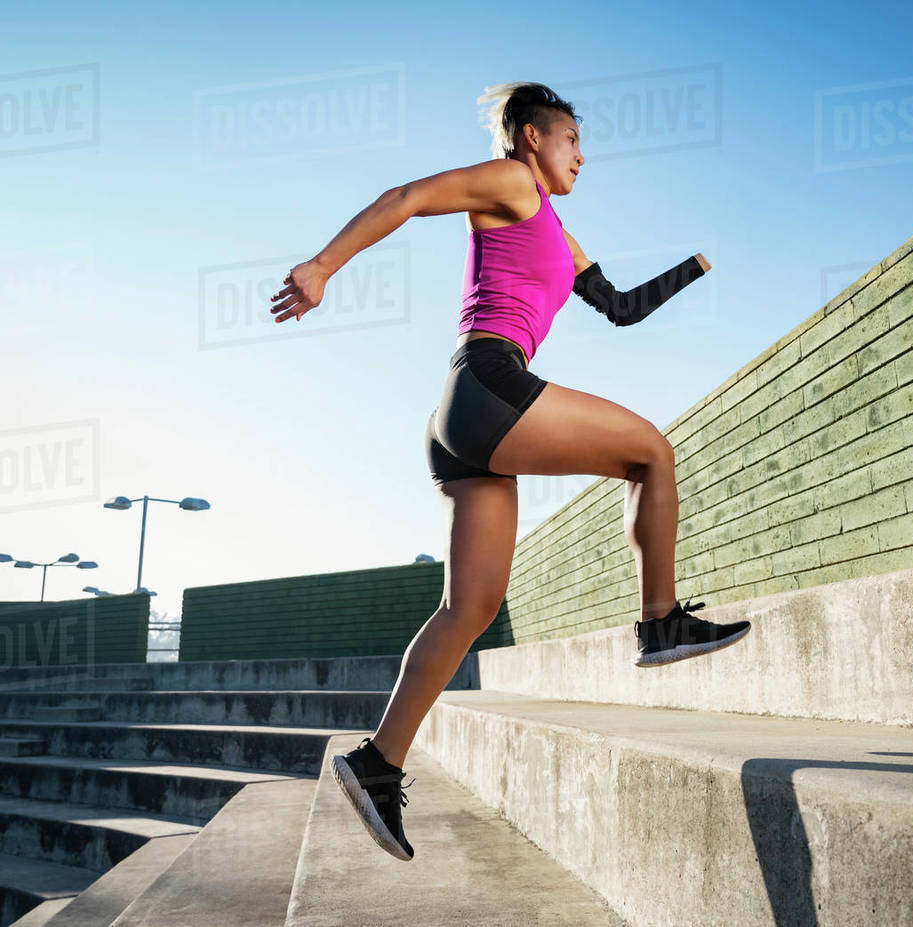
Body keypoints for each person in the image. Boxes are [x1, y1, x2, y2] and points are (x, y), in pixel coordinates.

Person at [268, 82, 751, 862]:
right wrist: (323, 266)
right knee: (651, 452)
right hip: (490, 383)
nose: (580, 157)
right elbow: (407, 198)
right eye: (571, 141)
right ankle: (660, 620)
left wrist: (698, 263)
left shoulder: (560, 232)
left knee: (469, 607)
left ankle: (378, 762)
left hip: (464, 418)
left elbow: (622, 308)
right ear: (532, 136)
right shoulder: (511, 181)